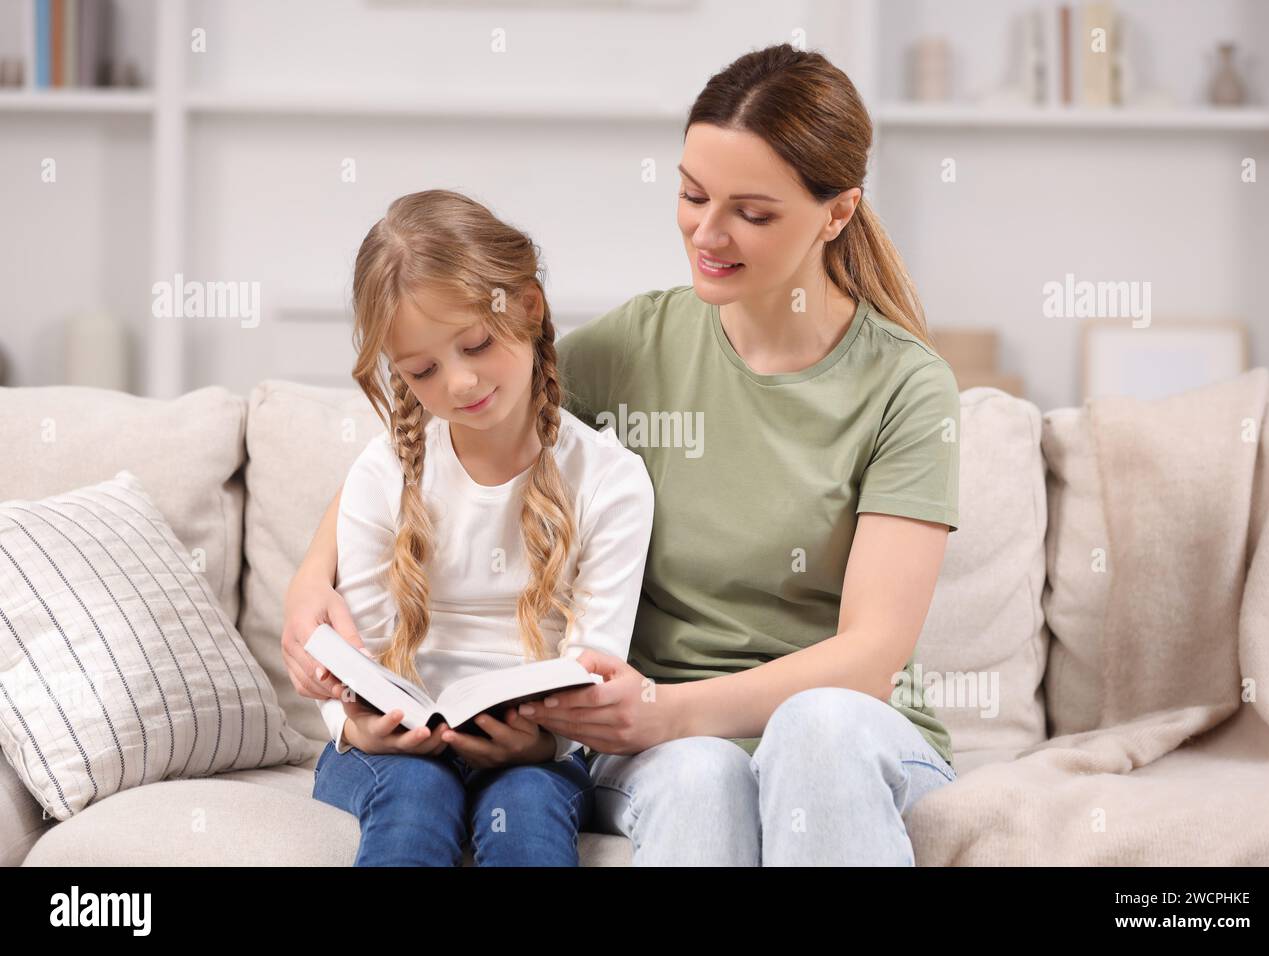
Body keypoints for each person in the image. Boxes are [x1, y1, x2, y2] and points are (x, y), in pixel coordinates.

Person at [285, 43, 960, 865]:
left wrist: (669, 710)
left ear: (837, 213)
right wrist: (310, 583)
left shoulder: (907, 387)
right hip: (664, 743)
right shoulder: (632, 349)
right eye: (691, 194)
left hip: (846, 732)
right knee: (703, 777)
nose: (707, 233)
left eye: (751, 212)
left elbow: (869, 658)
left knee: (812, 726)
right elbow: (445, 440)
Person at [305, 189, 654, 866]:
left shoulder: (610, 480)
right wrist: (360, 725)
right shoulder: (383, 475)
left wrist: (541, 744)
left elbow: (594, 662)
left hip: (535, 749)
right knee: (416, 798)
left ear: (527, 306)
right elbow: (367, 663)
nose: (460, 383)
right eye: (424, 371)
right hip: (388, 753)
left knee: (524, 812)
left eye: (476, 344)